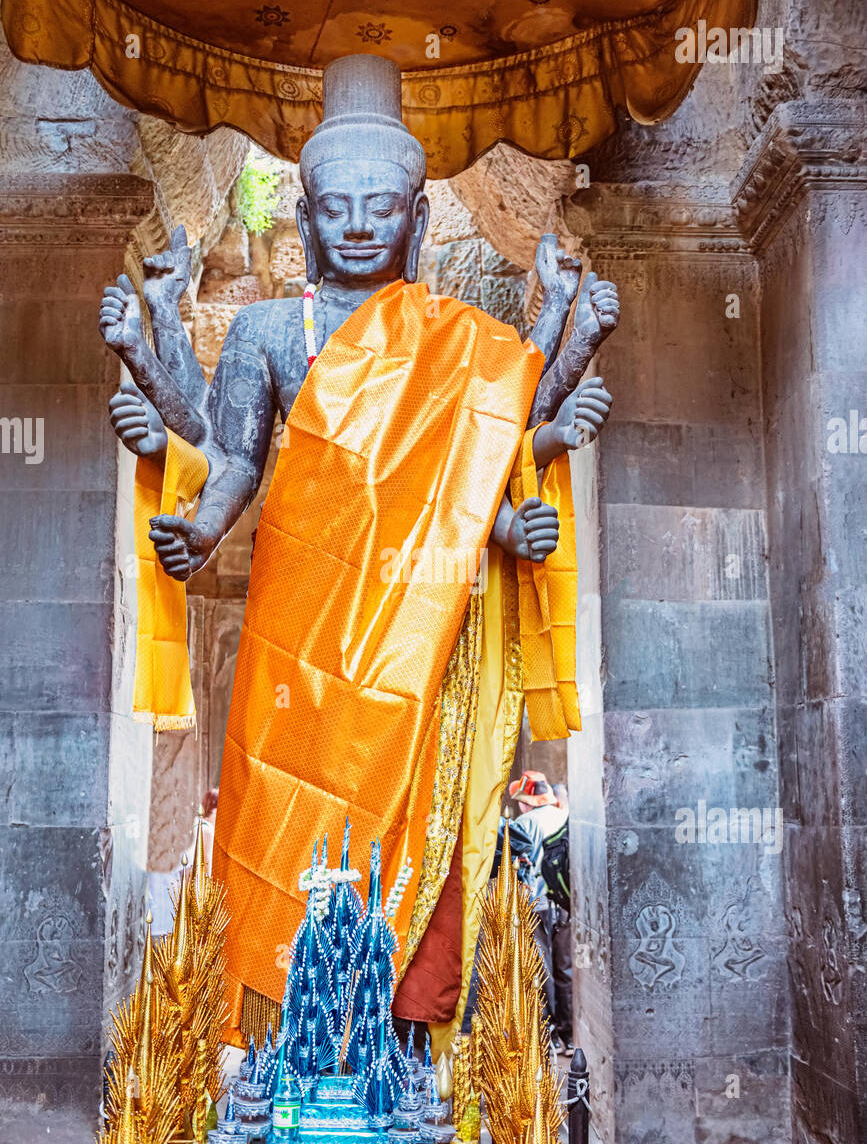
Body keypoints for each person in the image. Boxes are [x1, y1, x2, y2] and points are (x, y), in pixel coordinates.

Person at [99, 54, 618, 1047]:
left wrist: (521, 499)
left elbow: (473, 466)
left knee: (410, 842)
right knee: (280, 838)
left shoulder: (457, 334)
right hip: (299, 632)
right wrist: (197, 532)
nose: (360, 225)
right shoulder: (264, 329)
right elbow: (235, 461)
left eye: (384, 206)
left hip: (411, 643)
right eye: (336, 206)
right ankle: (268, 1066)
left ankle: (406, 1060)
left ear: (420, 223)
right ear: (303, 220)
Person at [502, 771, 573, 1052]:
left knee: (540, 969)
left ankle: (550, 1035)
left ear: (526, 802)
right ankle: (569, 1035)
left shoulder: (525, 822)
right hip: (565, 904)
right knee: (565, 969)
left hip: (537, 905)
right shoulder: (563, 816)